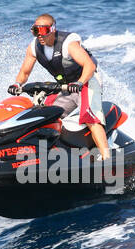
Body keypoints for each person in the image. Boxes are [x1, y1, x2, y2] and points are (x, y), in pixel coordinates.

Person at [10, 14, 111, 160]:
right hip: (67, 86)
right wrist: (17, 84)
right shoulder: (34, 47)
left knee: (89, 116)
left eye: (43, 31)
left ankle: (106, 157)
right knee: (44, 115)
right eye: (35, 31)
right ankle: (47, 155)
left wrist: (80, 82)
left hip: (87, 79)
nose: (39, 35)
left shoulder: (68, 43)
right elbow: (24, 73)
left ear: (52, 29)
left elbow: (89, 65)